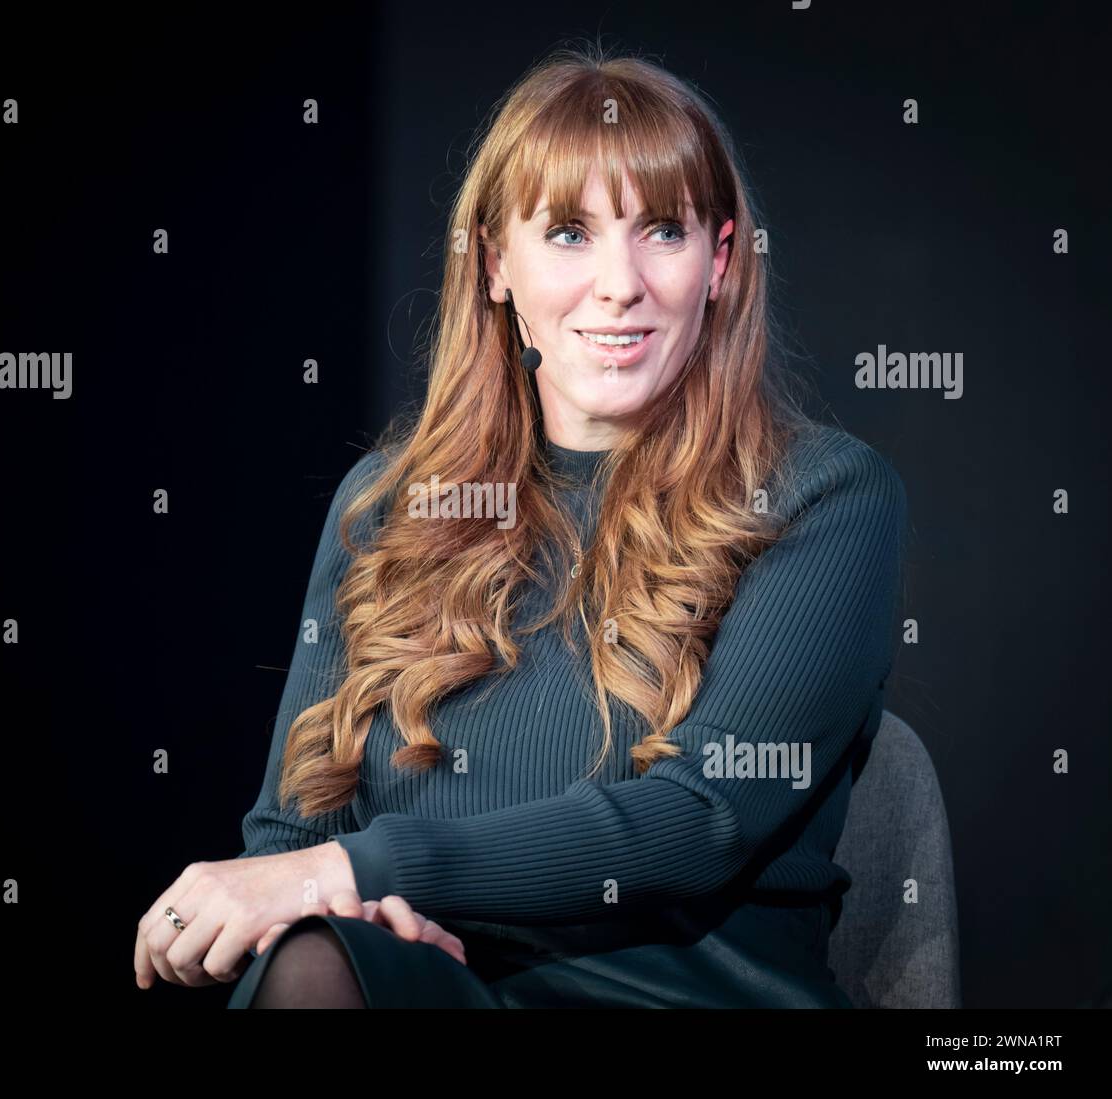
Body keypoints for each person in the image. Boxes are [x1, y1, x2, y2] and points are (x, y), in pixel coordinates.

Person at [133, 41, 907, 1009]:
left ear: (718, 262)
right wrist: (351, 905)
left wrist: (362, 870)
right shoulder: (387, 504)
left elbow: (700, 818)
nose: (619, 283)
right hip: (431, 986)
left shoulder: (823, 494)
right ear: (496, 263)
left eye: (661, 230)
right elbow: (293, 837)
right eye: (571, 233)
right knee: (311, 962)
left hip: (679, 999)